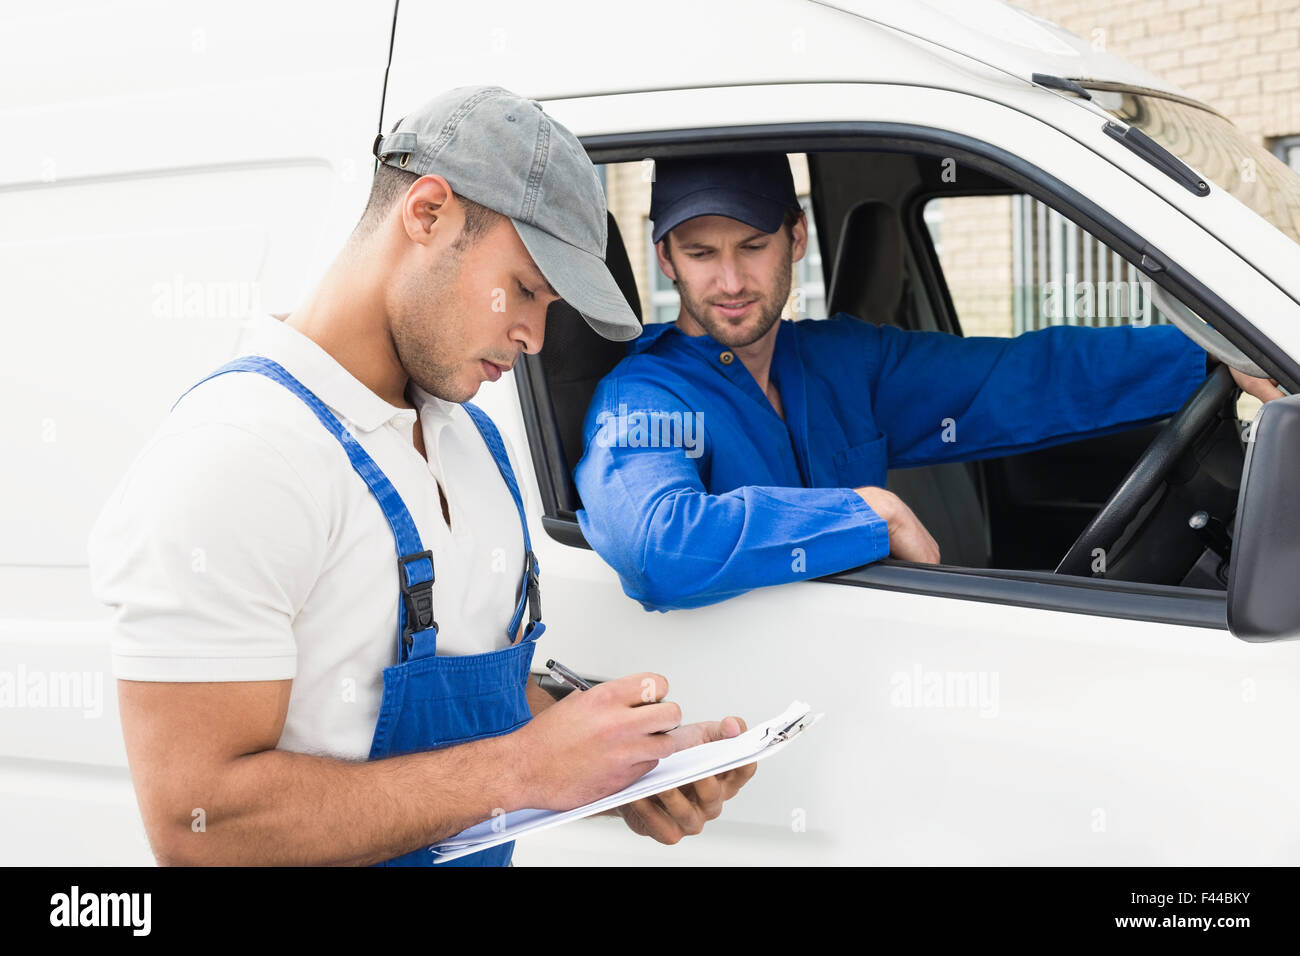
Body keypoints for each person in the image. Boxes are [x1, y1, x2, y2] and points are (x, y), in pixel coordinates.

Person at [88, 86, 755, 867]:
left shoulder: (472, 441)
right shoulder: (239, 455)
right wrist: (524, 768)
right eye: (528, 290)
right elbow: (199, 823)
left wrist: (616, 766)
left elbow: (480, 708)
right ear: (428, 212)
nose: (536, 337)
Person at [574, 153, 1286, 612]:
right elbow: (655, 546)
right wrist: (866, 514)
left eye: (753, 248)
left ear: (796, 239)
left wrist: (1214, 352)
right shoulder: (644, 399)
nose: (729, 281)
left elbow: (1015, 377)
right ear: (665, 257)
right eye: (701, 254)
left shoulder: (843, 362)